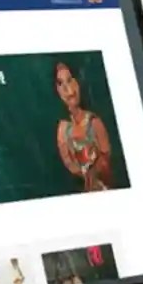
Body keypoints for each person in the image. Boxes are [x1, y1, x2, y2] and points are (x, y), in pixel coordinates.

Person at [53, 61, 115, 192]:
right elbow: (70, 166)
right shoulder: (62, 130)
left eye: (70, 80)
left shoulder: (94, 122)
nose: (67, 88)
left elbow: (107, 165)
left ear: (78, 83)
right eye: (60, 83)